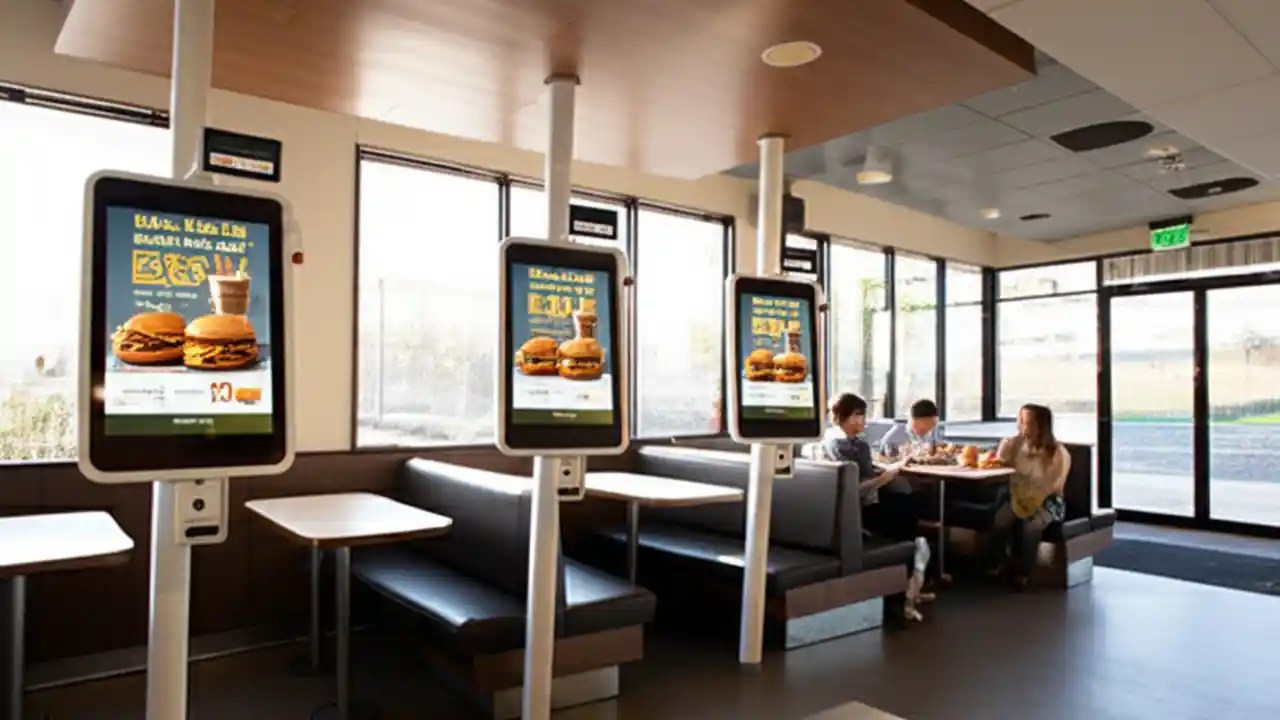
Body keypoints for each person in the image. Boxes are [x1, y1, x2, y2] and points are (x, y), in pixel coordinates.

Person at [819, 393, 932, 620]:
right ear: (848, 417)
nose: (865, 422)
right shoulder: (848, 445)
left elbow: (859, 473)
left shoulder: (830, 440)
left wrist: (886, 470)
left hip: (842, 509)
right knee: (911, 513)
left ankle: (911, 588)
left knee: (911, 506)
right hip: (859, 510)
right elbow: (854, 487)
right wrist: (886, 477)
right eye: (860, 415)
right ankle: (905, 596)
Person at [983, 403, 1071, 590]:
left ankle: (1023, 573)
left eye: (1027, 422)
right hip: (1019, 498)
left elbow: (1053, 485)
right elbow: (1001, 469)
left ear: (1041, 426)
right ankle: (996, 564)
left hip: (1049, 501)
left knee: (1032, 526)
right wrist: (1003, 450)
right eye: (1020, 421)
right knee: (1001, 520)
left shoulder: (1057, 452)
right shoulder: (1015, 445)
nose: (1021, 426)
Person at [878, 399, 945, 458]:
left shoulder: (927, 433)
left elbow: (935, 448)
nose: (929, 430)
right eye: (928, 426)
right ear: (916, 422)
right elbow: (883, 459)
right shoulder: (895, 437)